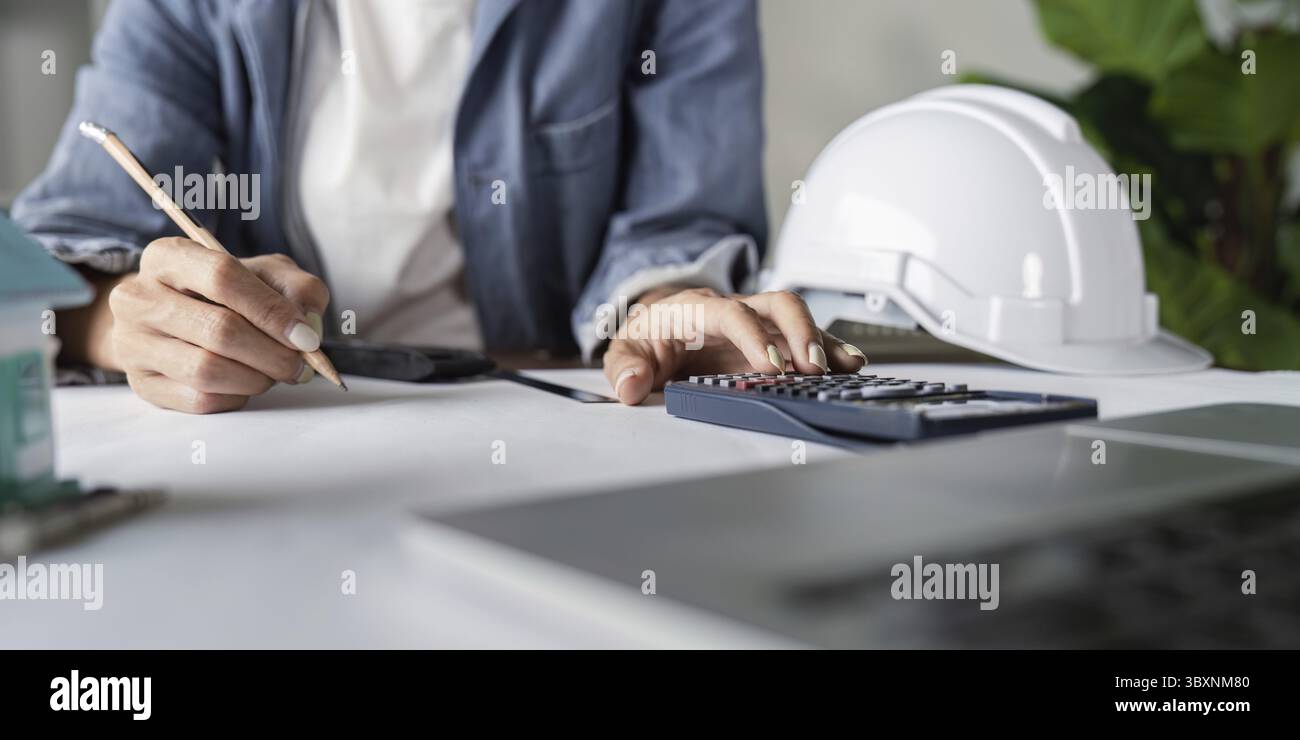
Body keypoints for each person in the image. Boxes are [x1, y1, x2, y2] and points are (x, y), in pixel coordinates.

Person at [13, 0, 866, 413]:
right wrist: (127, 326)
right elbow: (70, 252)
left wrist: (666, 313)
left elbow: (679, 222)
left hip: (552, 424)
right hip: (287, 432)